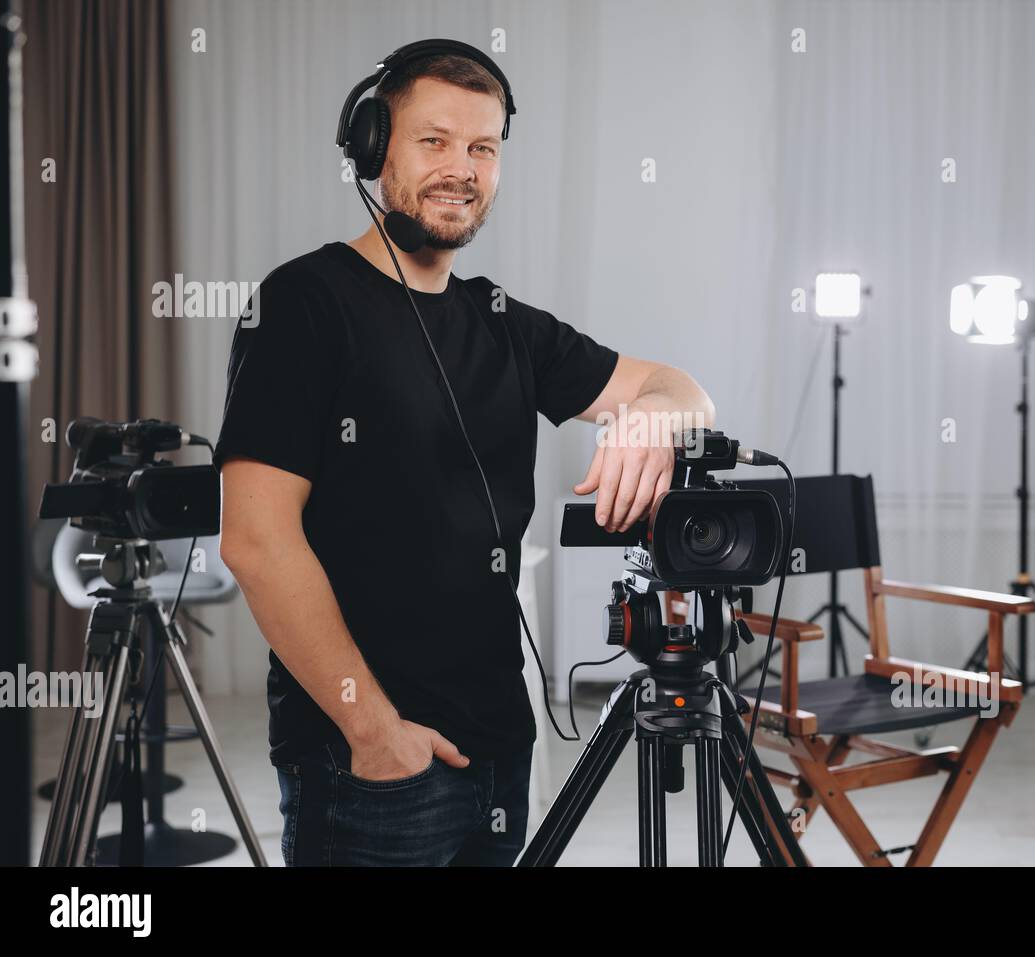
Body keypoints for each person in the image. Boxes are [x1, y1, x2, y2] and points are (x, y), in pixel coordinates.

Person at [214, 44, 714, 866]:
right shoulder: (303, 304)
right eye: (435, 141)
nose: (462, 169)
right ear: (376, 149)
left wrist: (654, 419)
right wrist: (374, 733)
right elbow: (256, 539)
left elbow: (682, 387)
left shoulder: (506, 323)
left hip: (498, 750)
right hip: (369, 763)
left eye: (483, 148)